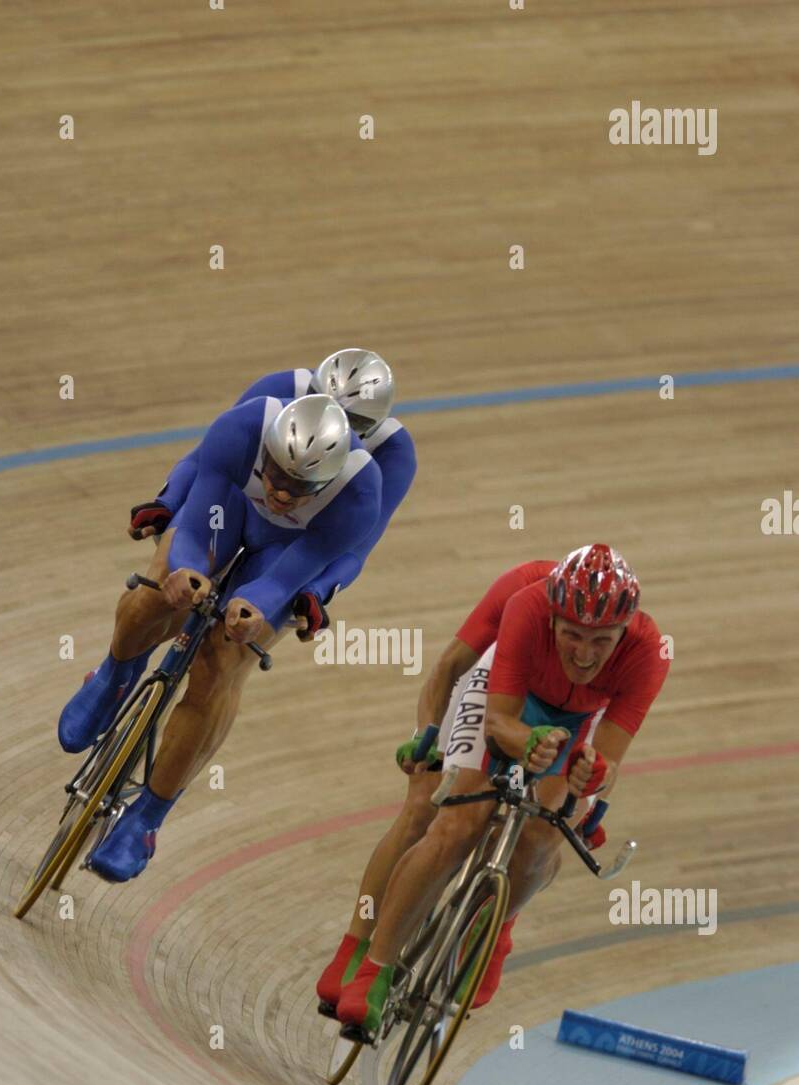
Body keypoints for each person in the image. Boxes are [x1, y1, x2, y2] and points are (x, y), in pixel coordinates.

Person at [331, 544, 671, 1035]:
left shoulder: (647, 650)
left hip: (579, 719)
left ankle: (494, 929)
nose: (584, 653)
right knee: (457, 822)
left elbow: (606, 761)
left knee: (541, 837)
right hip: (508, 696)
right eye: (573, 634)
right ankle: (374, 969)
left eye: (603, 641)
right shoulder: (527, 604)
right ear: (554, 619)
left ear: (625, 630)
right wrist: (518, 742)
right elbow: (498, 721)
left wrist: (588, 774)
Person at [58, 393, 383, 882]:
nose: (282, 493)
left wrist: (253, 606)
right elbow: (195, 516)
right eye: (276, 474)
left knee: (219, 664)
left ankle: (146, 819)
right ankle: (112, 680)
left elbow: (288, 576)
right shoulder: (244, 427)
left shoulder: (360, 492)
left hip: (288, 550)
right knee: (157, 595)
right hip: (226, 511)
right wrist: (186, 567)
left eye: (301, 486)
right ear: (267, 450)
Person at [315, 559, 554, 1016]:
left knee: (547, 831)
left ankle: (495, 927)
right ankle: (356, 946)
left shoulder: (613, 649)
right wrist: (427, 735)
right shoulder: (521, 586)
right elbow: (448, 668)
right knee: (424, 807)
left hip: (562, 716)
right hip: (490, 686)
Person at [129, 349, 415, 639]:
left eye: (351, 423)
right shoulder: (277, 392)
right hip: (228, 509)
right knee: (147, 607)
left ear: (373, 427)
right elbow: (205, 459)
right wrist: (168, 501)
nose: (328, 424)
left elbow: (355, 550)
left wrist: (316, 591)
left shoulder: (391, 457)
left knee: (223, 658)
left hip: (294, 545)